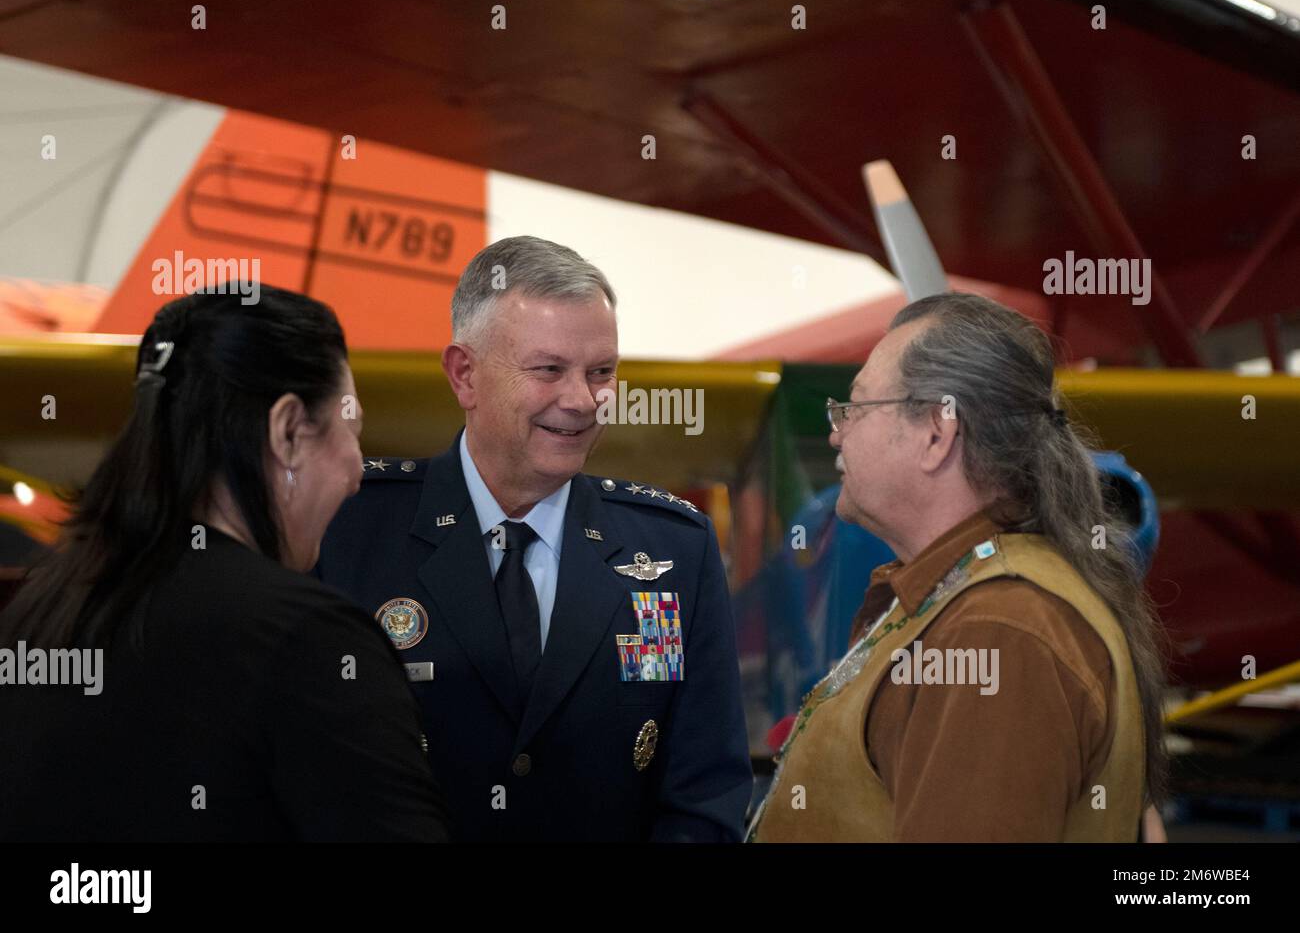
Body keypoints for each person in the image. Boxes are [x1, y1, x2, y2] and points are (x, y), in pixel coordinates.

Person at [316, 236, 751, 841]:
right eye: (549, 370)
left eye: (601, 373)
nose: (581, 400)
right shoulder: (346, 530)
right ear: (464, 375)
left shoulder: (676, 550)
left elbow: (707, 792)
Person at [0, 285, 449, 841]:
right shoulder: (308, 639)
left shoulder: (36, 617)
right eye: (350, 430)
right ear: (287, 430)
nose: (359, 470)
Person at [750, 292, 1167, 842]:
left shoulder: (999, 632)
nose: (836, 430)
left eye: (855, 406)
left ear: (937, 434)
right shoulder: (979, 603)